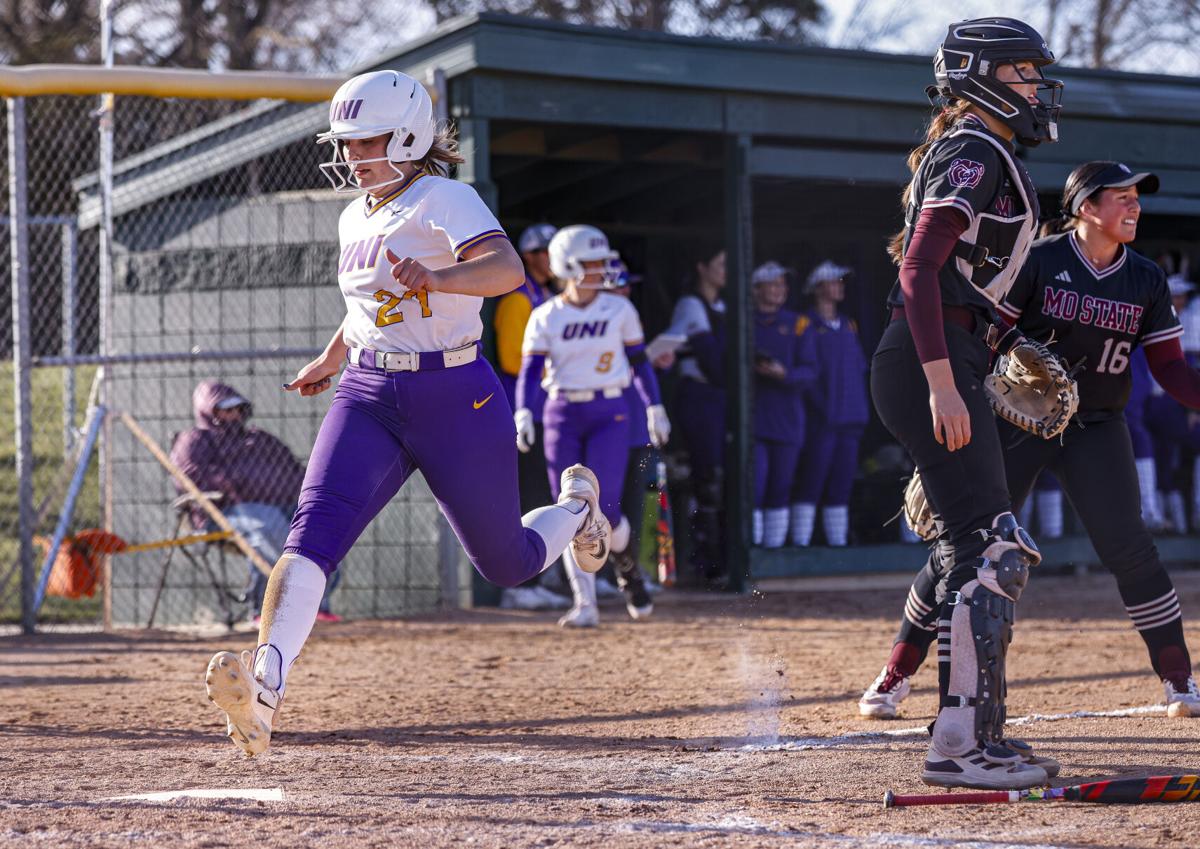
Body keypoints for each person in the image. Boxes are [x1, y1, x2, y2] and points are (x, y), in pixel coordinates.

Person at [204, 71, 611, 757]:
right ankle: (266, 687)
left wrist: (442, 277)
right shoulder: (354, 212)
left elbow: (507, 269)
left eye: (366, 141)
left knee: (506, 563)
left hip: (456, 394)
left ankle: (577, 509)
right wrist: (334, 354)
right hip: (367, 392)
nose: (353, 155)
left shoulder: (444, 196)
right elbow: (368, 303)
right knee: (311, 534)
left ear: (410, 135)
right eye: (347, 142)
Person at [861, 162, 1200, 735]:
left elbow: (1168, 367)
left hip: (1095, 424)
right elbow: (985, 333)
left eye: (1135, 198)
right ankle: (897, 670)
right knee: (967, 546)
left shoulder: (1144, 278)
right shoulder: (1037, 259)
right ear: (1086, 208)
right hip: (1016, 421)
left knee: (1131, 548)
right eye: (1120, 198)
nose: (1134, 207)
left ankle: (1178, 677)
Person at [866, 18, 1063, 790]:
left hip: (942, 353)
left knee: (974, 549)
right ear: (978, 75)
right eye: (1021, 74)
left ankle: (973, 734)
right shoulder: (976, 150)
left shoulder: (983, 151)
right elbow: (918, 272)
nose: (1035, 89)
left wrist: (993, 345)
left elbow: (963, 285)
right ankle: (959, 743)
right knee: (992, 551)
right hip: (926, 359)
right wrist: (944, 381)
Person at [515, 226, 670, 627]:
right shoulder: (546, 315)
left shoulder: (619, 310)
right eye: (591, 263)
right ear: (567, 264)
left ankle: (627, 567)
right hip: (562, 413)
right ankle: (585, 603)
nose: (601, 270)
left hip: (609, 412)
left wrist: (655, 407)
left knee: (609, 510)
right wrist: (524, 412)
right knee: (569, 509)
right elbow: (531, 372)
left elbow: (638, 363)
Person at [170, 381, 339, 621]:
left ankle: (316, 608)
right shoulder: (195, 440)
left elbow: (294, 471)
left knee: (318, 532)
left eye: (236, 409)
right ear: (208, 411)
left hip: (280, 506)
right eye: (224, 410)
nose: (232, 415)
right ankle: (265, 611)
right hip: (223, 513)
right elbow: (191, 478)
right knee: (267, 527)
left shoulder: (260, 439)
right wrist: (237, 482)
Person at [492, 222, 569, 612]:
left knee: (547, 493)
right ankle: (521, 585)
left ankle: (542, 575)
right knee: (530, 494)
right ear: (531, 256)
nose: (553, 259)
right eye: (546, 252)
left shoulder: (545, 295)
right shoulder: (517, 299)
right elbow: (511, 360)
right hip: (521, 414)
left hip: (545, 412)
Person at [653, 248, 726, 583]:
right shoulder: (691, 304)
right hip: (697, 397)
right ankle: (702, 565)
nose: (727, 271)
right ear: (702, 266)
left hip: (715, 399)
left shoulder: (723, 305)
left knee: (715, 479)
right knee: (702, 478)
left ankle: (714, 560)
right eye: (721, 263)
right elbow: (713, 361)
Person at [789, 261, 869, 547]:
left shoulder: (849, 325)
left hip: (850, 420)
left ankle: (838, 546)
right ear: (818, 288)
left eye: (840, 282)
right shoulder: (805, 325)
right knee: (812, 480)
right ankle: (800, 546)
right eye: (833, 281)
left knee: (842, 483)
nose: (839, 286)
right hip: (820, 422)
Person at [749, 262, 816, 548]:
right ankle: (750, 551)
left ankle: (774, 550)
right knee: (756, 485)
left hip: (788, 420)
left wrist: (783, 374)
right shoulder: (743, 322)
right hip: (753, 420)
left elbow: (811, 371)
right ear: (756, 289)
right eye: (772, 284)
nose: (779, 290)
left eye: (782, 285)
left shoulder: (799, 323)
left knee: (781, 485)